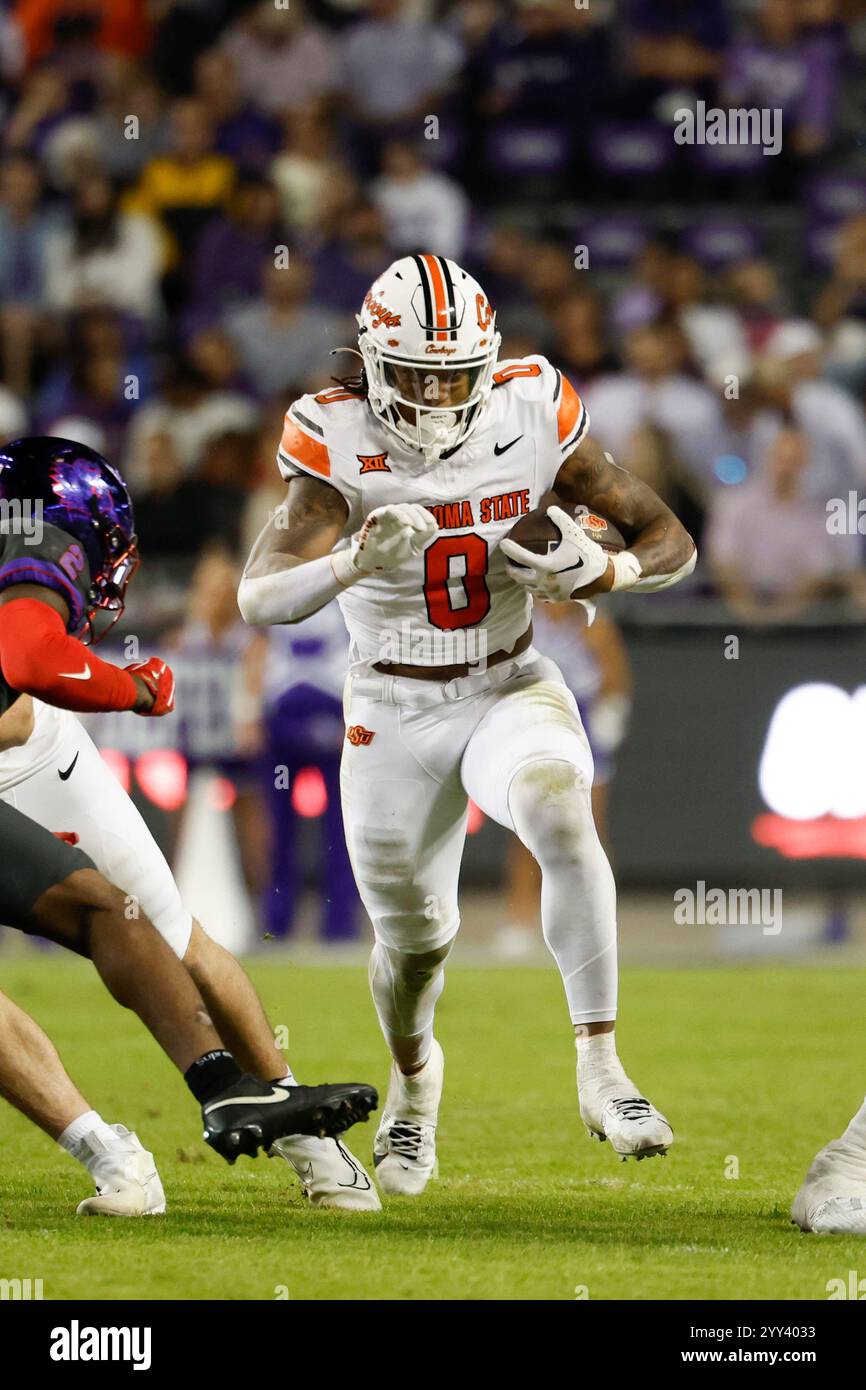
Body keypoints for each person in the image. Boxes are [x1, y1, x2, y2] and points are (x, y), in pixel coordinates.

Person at [239, 254, 696, 1195]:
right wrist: (351, 561)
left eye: (456, 372)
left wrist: (602, 572)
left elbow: (668, 537)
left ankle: (602, 1069)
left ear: (488, 362)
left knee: (561, 812)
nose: (441, 393)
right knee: (415, 945)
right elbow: (256, 599)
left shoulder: (534, 406)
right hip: (389, 709)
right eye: (417, 373)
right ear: (370, 362)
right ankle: (415, 1089)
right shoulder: (333, 435)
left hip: (505, 681)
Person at [0, 436, 380, 1211]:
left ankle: (288, 1119)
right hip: (30, 727)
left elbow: (22, 677)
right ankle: (119, 1153)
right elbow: (31, 653)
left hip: (29, 744)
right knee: (144, 923)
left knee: (154, 926)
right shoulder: (36, 534)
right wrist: (135, 688)